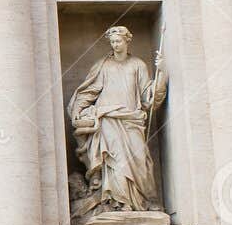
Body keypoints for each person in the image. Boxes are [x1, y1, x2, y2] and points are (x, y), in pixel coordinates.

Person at [68, 25, 166, 214]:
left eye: (118, 41)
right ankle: (119, 203)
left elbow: (148, 97)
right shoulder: (103, 65)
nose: (115, 45)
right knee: (116, 160)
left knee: (140, 159)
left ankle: (144, 201)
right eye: (112, 42)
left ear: (127, 41)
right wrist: (79, 109)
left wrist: (161, 74)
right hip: (109, 119)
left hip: (132, 119)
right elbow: (89, 91)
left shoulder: (138, 65)